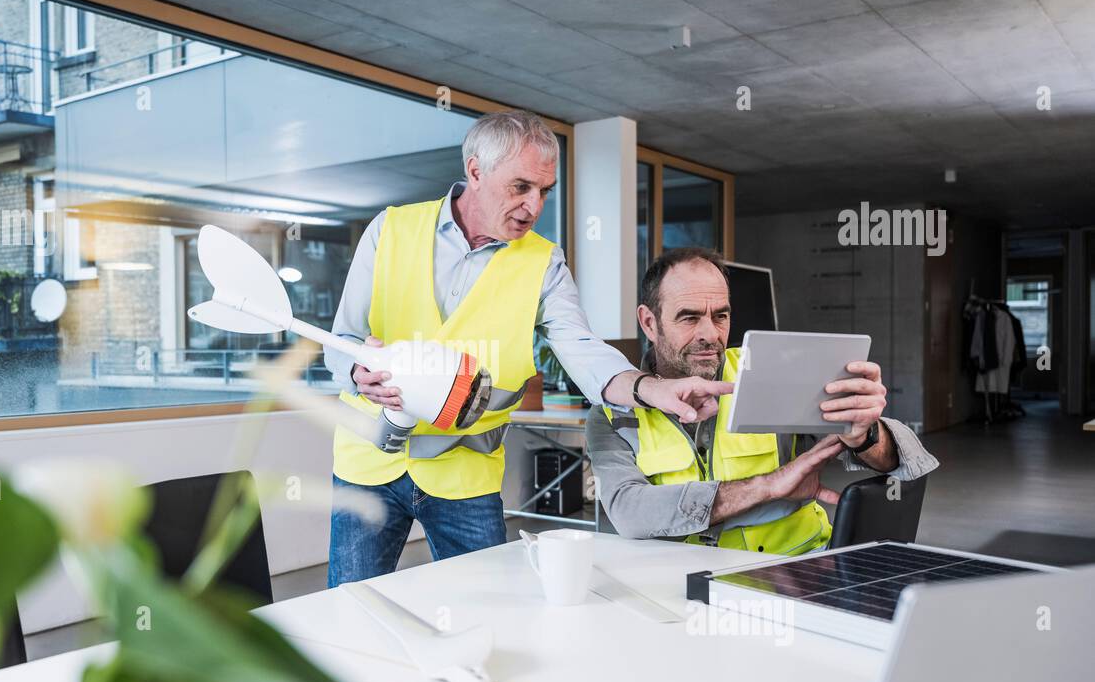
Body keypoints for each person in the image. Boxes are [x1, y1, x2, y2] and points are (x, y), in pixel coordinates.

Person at [324, 111, 732, 586]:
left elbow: (581, 348)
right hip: (367, 462)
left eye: (544, 191)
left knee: (490, 609)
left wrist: (650, 388)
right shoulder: (389, 229)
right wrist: (359, 372)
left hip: (466, 474)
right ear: (476, 172)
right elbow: (342, 342)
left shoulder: (544, 262)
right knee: (348, 607)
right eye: (521, 187)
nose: (534, 206)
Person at [587, 247, 938, 553]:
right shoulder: (614, 412)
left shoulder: (770, 372)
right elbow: (631, 513)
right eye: (689, 317)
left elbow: (900, 463)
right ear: (649, 323)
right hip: (684, 585)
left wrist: (866, 435)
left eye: (720, 315)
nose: (710, 334)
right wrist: (769, 486)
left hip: (798, 571)